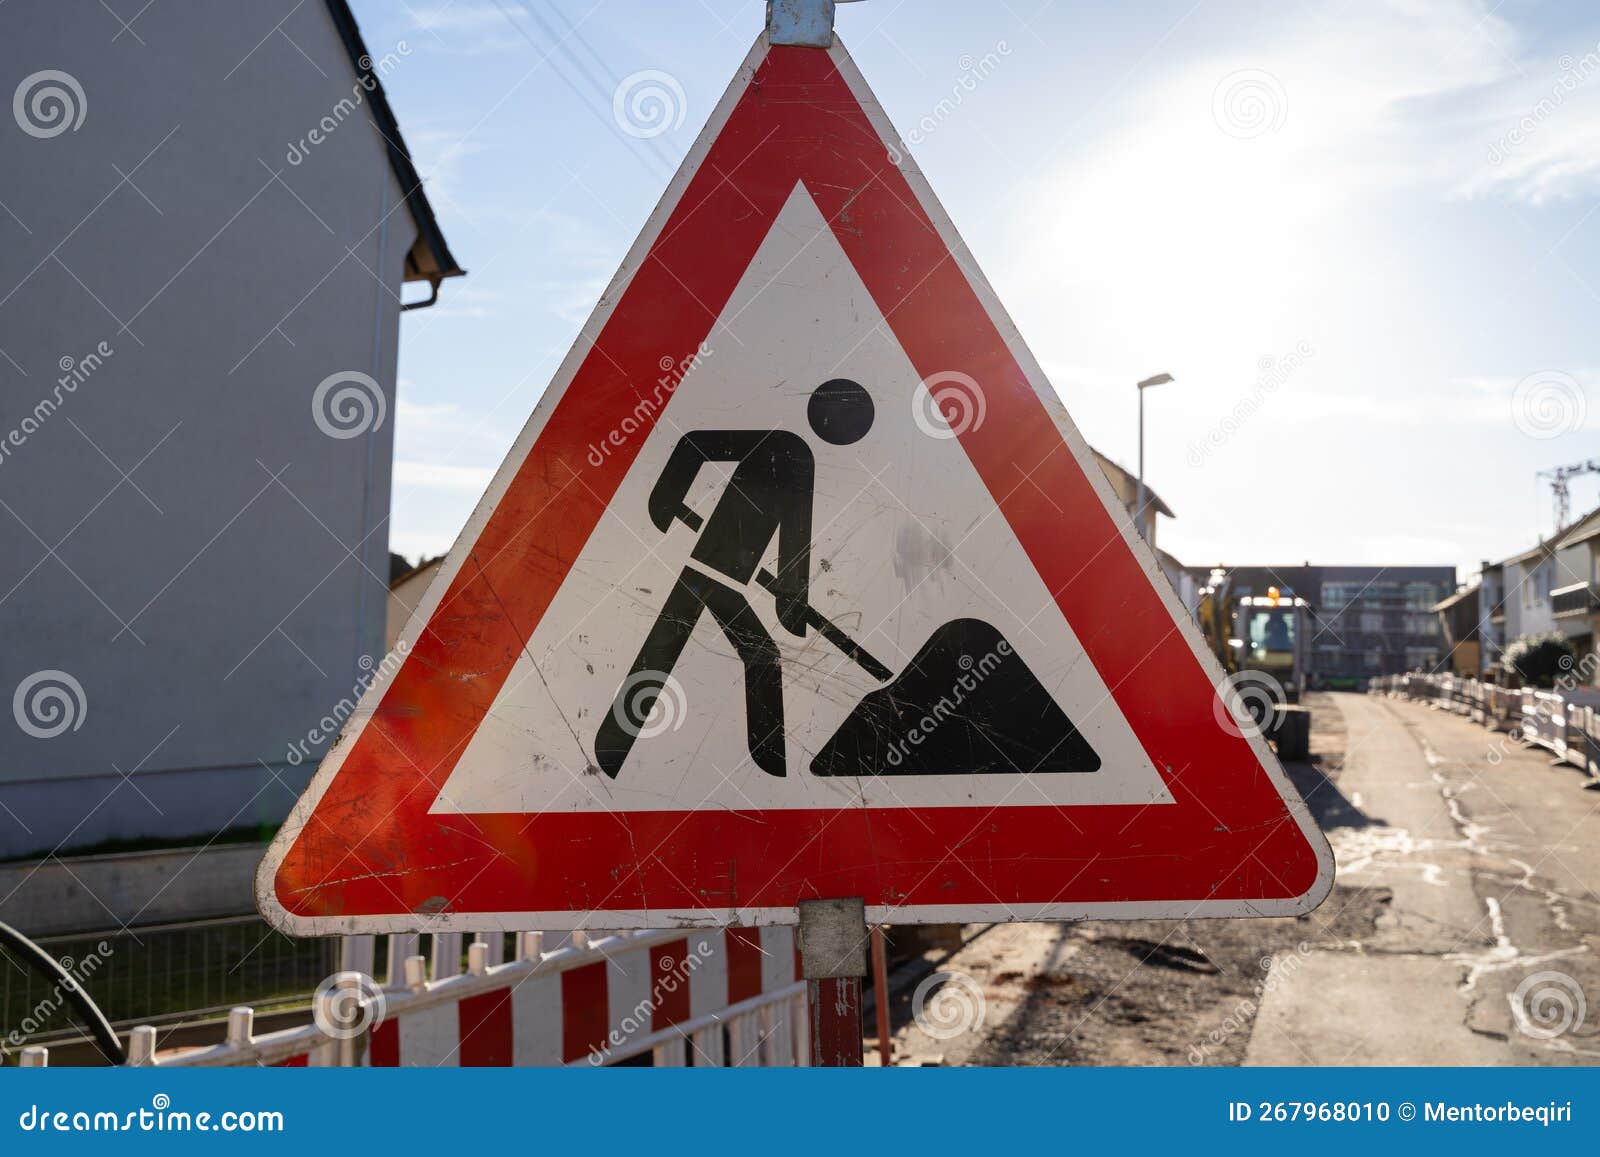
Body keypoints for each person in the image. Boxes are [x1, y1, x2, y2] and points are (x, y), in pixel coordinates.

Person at [595, 379, 875, 778]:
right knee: (690, 650)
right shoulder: (785, 447)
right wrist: (666, 498)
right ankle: (613, 749)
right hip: (706, 571)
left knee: (689, 650)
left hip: (724, 580)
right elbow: (695, 446)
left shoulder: (798, 457)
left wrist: (791, 599)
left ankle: (767, 768)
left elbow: (796, 543)